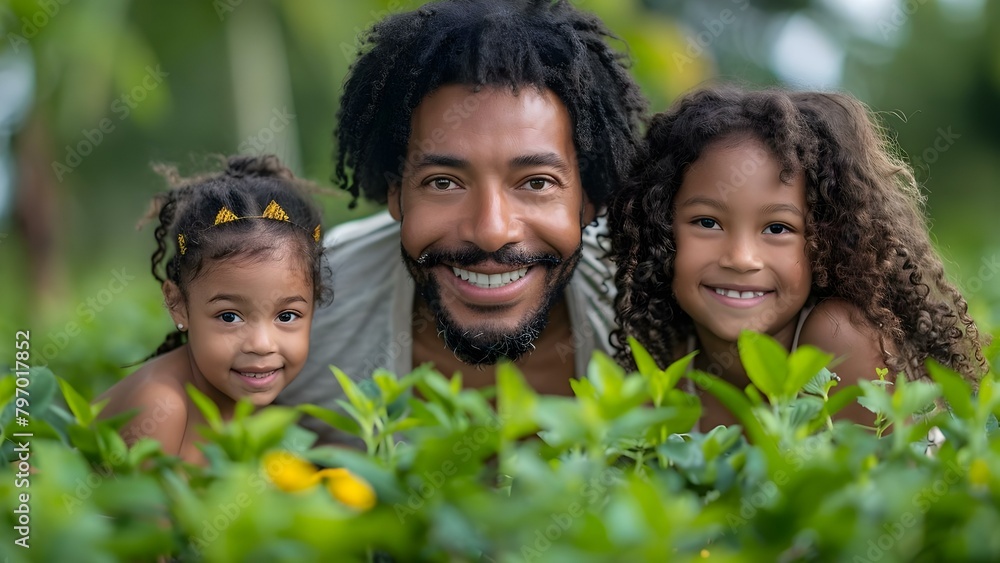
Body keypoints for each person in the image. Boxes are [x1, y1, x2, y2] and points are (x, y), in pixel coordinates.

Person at [277, 0, 646, 441]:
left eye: (536, 183)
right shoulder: (312, 302)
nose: (491, 231)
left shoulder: (651, 298)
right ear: (396, 192)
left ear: (589, 199)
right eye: (444, 183)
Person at [607, 86, 988, 427]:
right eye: (707, 222)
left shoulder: (838, 338)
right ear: (661, 229)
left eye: (777, 228)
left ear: (826, 241)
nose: (741, 258)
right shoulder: (667, 368)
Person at [97, 155, 328, 464]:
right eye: (229, 316)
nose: (262, 344)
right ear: (178, 304)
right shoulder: (161, 407)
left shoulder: (265, 409)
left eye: (286, 316)